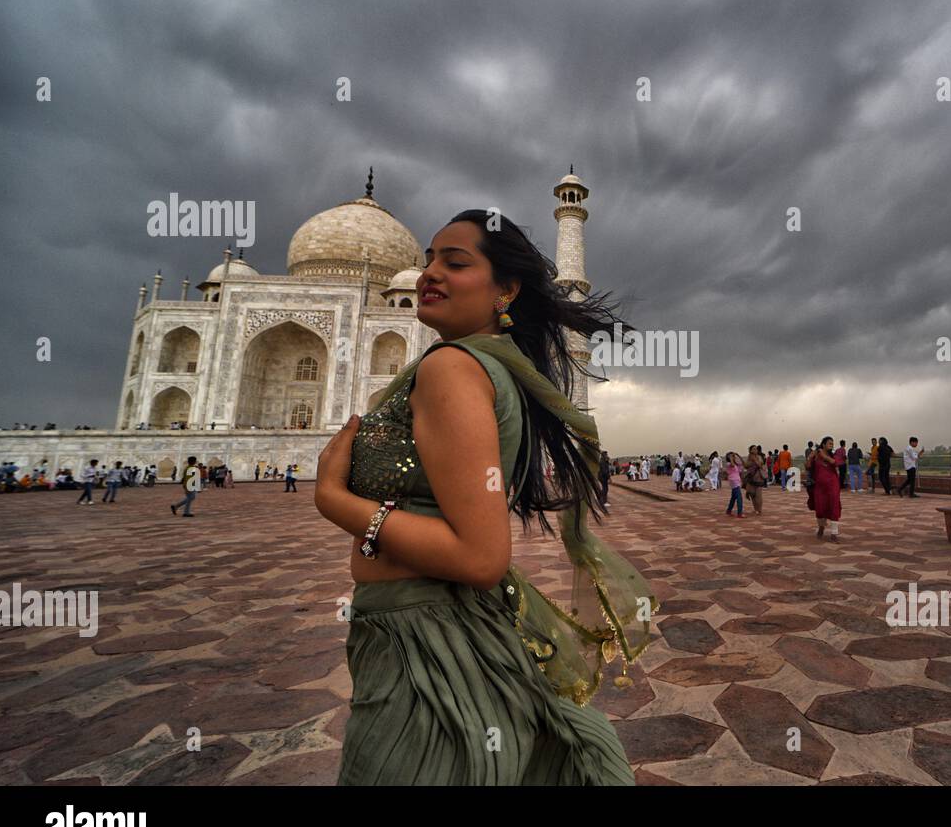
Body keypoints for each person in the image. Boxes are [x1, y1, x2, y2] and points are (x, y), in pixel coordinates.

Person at [315, 208, 655, 785]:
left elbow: (480, 556)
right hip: (433, 631)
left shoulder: (451, 369)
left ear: (507, 289)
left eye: (455, 262)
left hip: (425, 646)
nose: (429, 273)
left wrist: (335, 500)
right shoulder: (488, 368)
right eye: (427, 260)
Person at [805, 436, 842, 542]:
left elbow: (835, 463)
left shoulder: (834, 455)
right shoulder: (816, 455)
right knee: (820, 508)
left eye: (832, 444)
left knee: (834, 506)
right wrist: (810, 457)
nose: (831, 445)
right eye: (829, 443)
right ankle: (821, 527)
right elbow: (807, 466)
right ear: (824, 444)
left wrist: (823, 456)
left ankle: (834, 533)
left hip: (833, 485)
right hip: (819, 486)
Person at [742, 444, 766, 515]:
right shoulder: (749, 458)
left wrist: (754, 460)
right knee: (752, 494)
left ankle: (759, 509)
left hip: (759, 478)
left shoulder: (759, 457)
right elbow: (746, 466)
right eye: (754, 449)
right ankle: (756, 509)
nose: (755, 450)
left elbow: (760, 465)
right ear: (750, 450)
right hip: (751, 478)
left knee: (759, 495)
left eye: (756, 449)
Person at [723, 451, 745, 517]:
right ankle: (739, 513)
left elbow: (743, 463)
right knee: (739, 497)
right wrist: (731, 457)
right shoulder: (728, 464)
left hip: (737, 481)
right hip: (734, 481)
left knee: (733, 497)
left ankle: (729, 510)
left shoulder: (736, 465)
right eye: (732, 456)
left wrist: (738, 455)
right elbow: (732, 464)